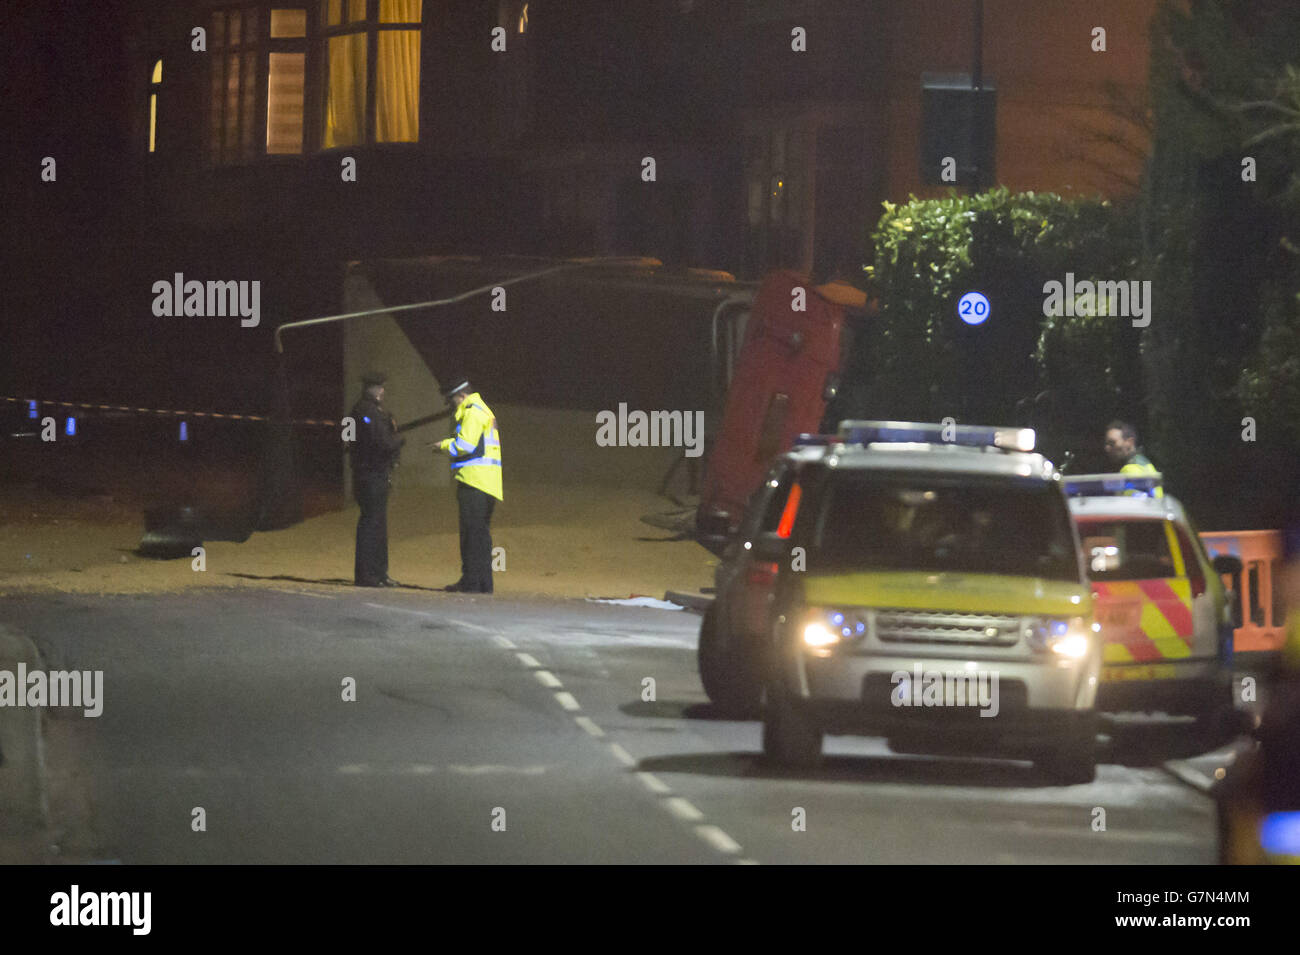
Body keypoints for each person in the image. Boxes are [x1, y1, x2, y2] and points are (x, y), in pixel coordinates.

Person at [432, 378, 502, 593]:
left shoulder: (471, 411)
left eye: (451, 400)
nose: (451, 404)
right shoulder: (485, 410)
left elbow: (464, 445)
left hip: (473, 481)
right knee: (481, 536)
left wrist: (441, 446)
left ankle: (470, 582)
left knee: (471, 535)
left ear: (460, 395)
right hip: (489, 483)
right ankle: (484, 583)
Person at [349, 372, 404, 587]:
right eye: (378, 387)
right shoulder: (366, 411)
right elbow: (382, 442)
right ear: (369, 389)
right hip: (370, 474)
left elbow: (349, 439)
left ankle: (378, 573)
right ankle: (368, 575)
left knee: (377, 525)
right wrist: (399, 442)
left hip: (371, 473)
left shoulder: (363, 411)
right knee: (372, 525)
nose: (382, 391)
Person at [1103, 419, 1163, 498]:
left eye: (1112, 443)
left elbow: (1132, 507)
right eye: (1106, 443)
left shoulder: (1129, 471)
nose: (1107, 448)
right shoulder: (1147, 465)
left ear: (1129, 442)